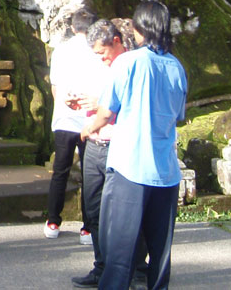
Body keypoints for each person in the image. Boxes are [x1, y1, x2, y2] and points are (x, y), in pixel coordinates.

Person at [79, 1, 188, 290]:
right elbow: (177, 116)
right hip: (166, 173)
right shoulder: (177, 67)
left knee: (119, 254)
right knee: (160, 255)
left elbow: (106, 110)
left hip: (130, 168)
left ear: (138, 29)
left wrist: (89, 128)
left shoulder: (129, 62)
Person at [72, 19, 147, 289]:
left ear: (116, 41)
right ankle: (101, 267)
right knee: (93, 210)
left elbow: (133, 105)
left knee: (125, 213)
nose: (101, 58)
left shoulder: (134, 65)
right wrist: (85, 101)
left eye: (103, 52)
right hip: (95, 145)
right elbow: (100, 101)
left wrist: (101, 108)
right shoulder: (100, 66)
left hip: (121, 145)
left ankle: (138, 268)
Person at [45, 9, 97, 242]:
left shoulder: (60, 51)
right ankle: (88, 227)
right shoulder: (98, 51)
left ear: (73, 28)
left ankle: (53, 221)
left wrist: (63, 107)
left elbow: (54, 86)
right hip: (91, 119)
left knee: (60, 172)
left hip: (65, 118)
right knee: (90, 175)